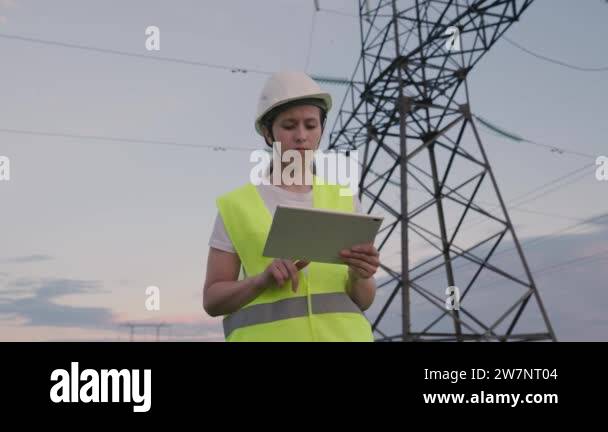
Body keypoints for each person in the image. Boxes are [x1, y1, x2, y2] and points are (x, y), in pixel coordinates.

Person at [203, 70, 381, 342]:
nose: (301, 136)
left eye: (311, 126)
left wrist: (360, 275)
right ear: (267, 132)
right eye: (289, 126)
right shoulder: (236, 206)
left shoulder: (345, 199)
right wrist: (260, 281)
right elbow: (212, 300)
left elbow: (363, 301)